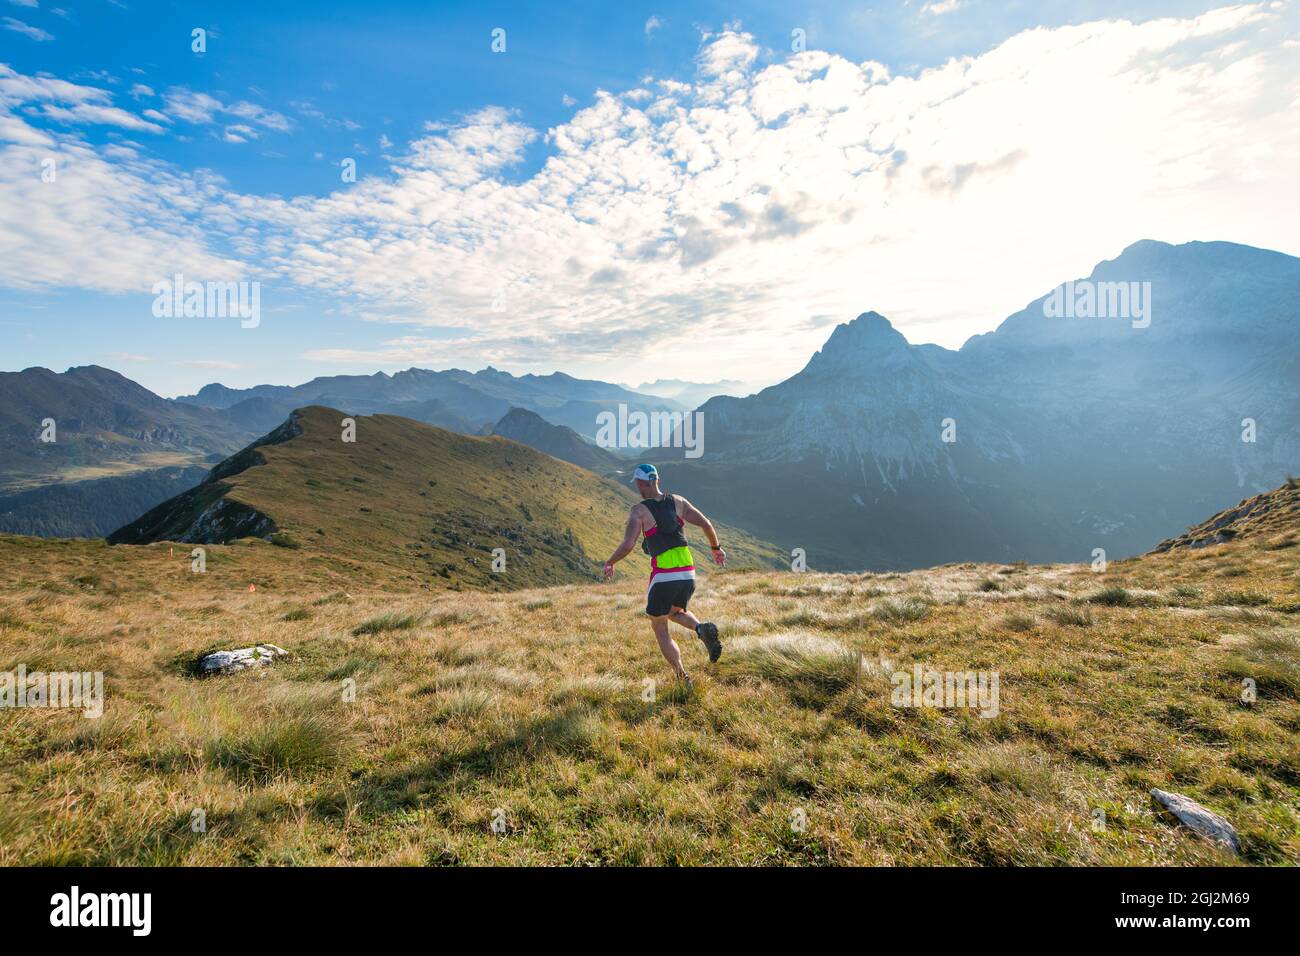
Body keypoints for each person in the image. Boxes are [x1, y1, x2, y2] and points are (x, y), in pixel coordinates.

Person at [603, 463, 724, 685]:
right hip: (688, 572)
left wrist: (610, 562)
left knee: (659, 626)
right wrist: (715, 549)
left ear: (640, 484)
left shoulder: (638, 511)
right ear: (656, 480)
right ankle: (700, 628)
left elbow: (628, 544)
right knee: (673, 611)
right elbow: (706, 523)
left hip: (663, 575)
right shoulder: (678, 501)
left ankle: (681, 676)